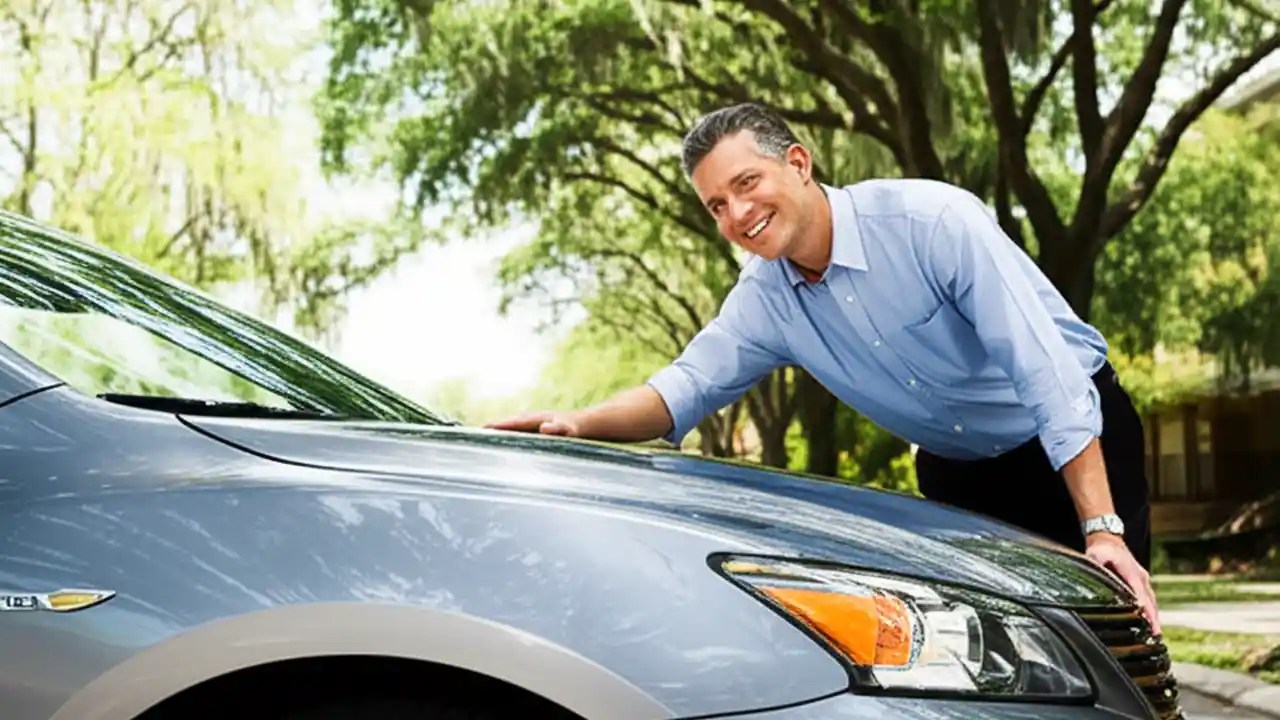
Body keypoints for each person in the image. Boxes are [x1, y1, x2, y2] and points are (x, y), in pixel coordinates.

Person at [486, 102, 1160, 633]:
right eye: (716, 205)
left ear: (799, 164)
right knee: (1010, 665)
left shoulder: (932, 222)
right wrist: (575, 423)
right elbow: (682, 389)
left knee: (1113, 637)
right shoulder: (763, 300)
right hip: (958, 473)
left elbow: (1046, 373)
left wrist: (1102, 529)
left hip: (1076, 441)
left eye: (746, 183)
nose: (737, 214)